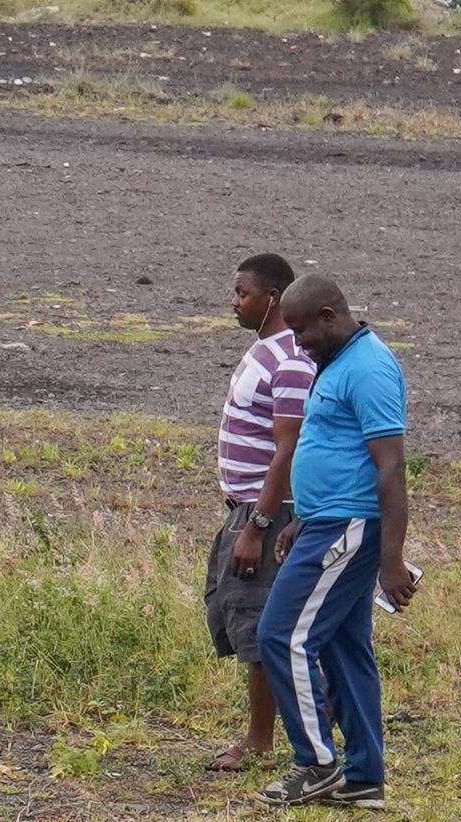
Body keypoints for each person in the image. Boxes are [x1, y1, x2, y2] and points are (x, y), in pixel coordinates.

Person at [254, 271, 414, 809]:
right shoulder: (336, 362)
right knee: (345, 648)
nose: (298, 344)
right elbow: (332, 446)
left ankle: (315, 762)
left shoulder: (368, 368)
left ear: (330, 316)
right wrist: (306, 513)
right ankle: (365, 776)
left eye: (302, 332)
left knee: (282, 635)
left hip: (347, 528)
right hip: (328, 520)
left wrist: (391, 561)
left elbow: (390, 469)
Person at [205, 252, 313, 773]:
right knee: (250, 618)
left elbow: (288, 451)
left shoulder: (290, 358)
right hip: (246, 506)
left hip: (265, 510)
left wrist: (259, 525)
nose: (235, 302)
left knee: (259, 623)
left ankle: (260, 740)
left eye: (243, 293)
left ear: (273, 298)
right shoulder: (267, 350)